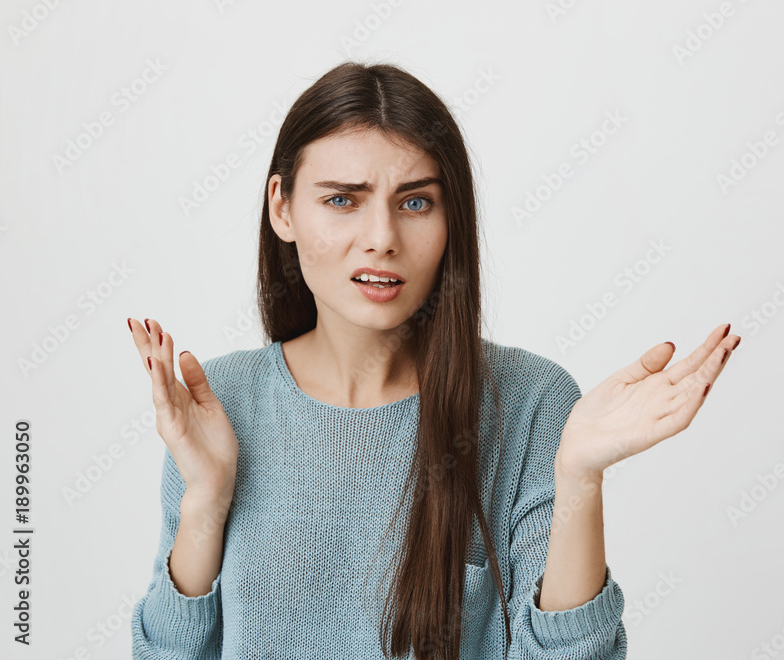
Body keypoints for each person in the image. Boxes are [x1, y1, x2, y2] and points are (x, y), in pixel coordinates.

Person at [128, 60, 740, 659]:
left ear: (452, 219)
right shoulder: (221, 402)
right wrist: (206, 496)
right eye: (343, 200)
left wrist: (580, 478)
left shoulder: (529, 402)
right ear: (282, 208)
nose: (382, 237)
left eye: (416, 203)